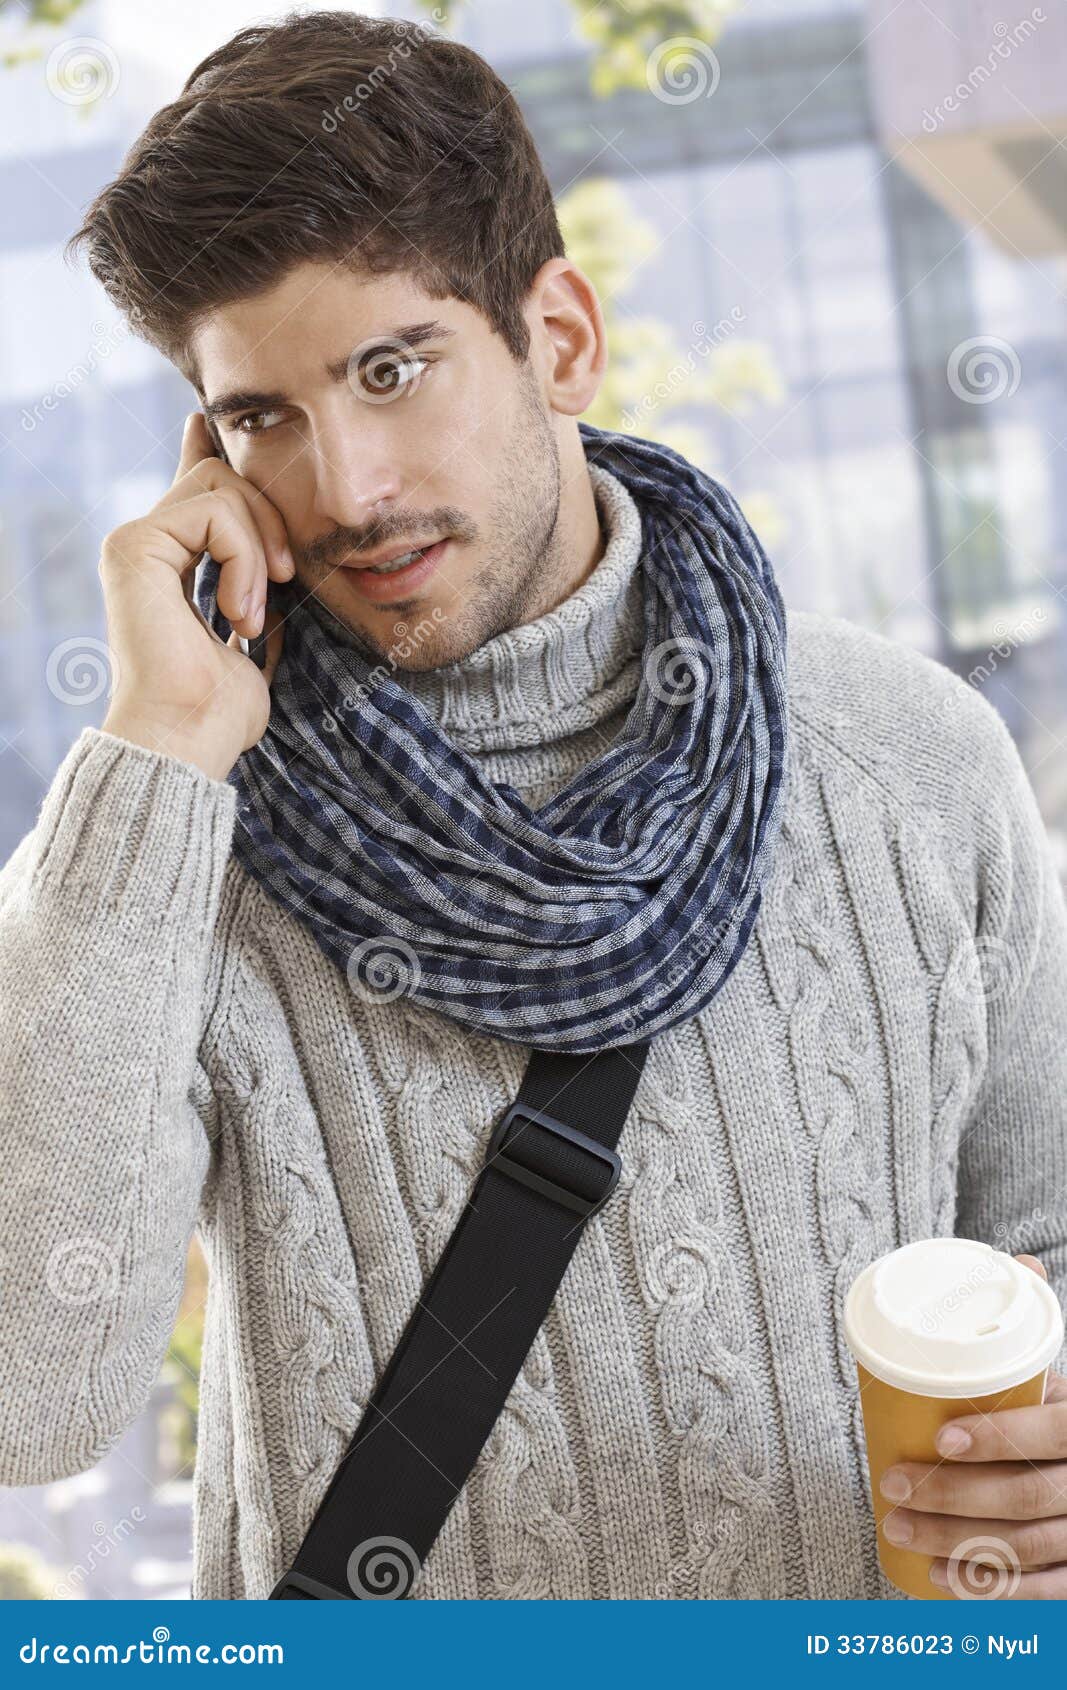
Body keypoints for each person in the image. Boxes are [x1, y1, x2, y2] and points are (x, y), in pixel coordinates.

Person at [2, 11, 1067, 1602]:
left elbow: (1043, 1243)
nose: (347, 486)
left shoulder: (906, 755)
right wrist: (160, 745)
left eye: (390, 367)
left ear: (559, 338)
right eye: (262, 417)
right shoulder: (176, 834)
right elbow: (33, 1397)